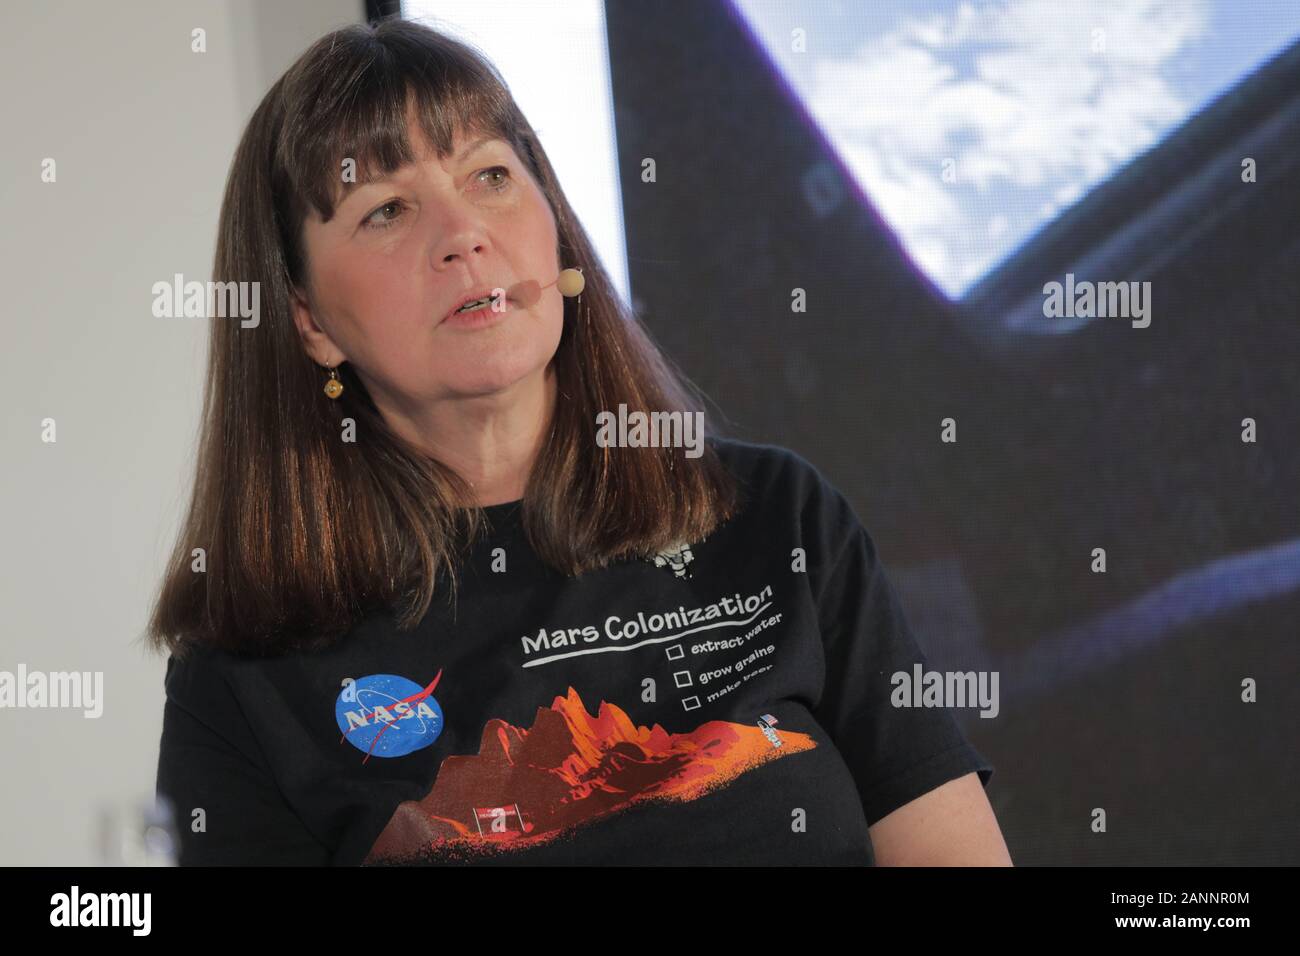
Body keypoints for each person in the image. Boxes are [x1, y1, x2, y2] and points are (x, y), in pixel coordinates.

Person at [148, 17, 1011, 867]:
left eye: (490, 174)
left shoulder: (775, 517)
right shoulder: (243, 670)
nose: (463, 235)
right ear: (308, 320)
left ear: (554, 225)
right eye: (387, 210)